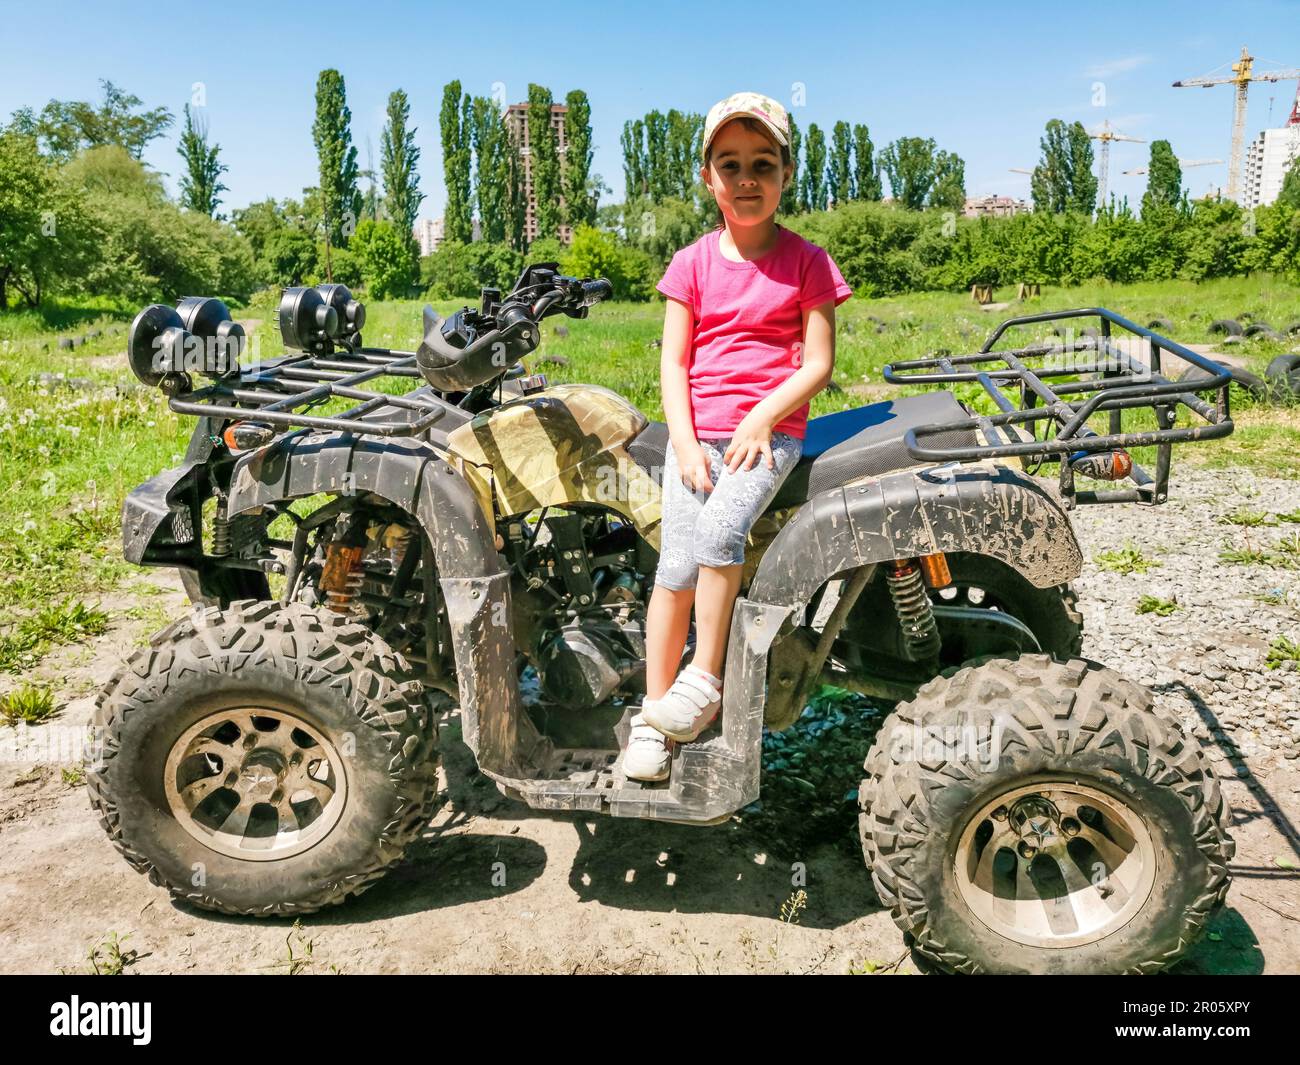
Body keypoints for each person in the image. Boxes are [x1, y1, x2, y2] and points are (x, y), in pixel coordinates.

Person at [623, 91, 853, 781]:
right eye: (730, 165)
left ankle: (706, 678)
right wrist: (686, 444)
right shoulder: (690, 263)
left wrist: (761, 417)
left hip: (767, 434)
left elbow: (819, 363)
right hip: (697, 438)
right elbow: (674, 362)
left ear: (786, 174)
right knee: (673, 568)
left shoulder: (807, 261)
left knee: (721, 534)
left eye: (762, 163)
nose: (746, 179)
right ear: (708, 178)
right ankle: (652, 718)